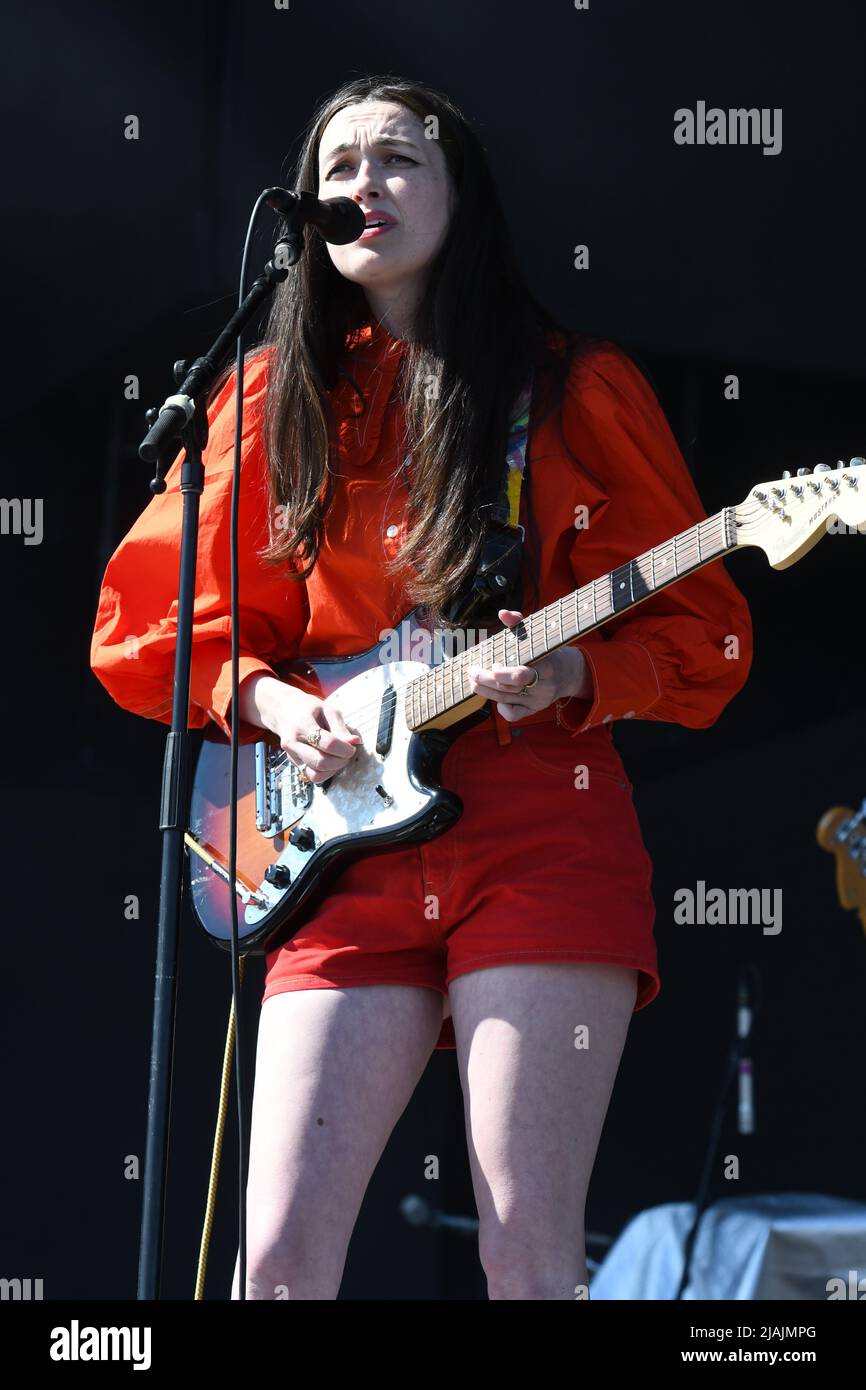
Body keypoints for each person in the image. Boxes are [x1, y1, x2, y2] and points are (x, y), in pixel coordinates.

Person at [90, 74, 753, 1300]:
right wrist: (273, 700)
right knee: (275, 1264)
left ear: (463, 195)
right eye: (338, 168)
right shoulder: (264, 397)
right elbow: (151, 624)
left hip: (538, 833)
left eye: (398, 160)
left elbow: (703, 632)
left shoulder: (570, 388)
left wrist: (572, 666)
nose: (361, 187)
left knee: (525, 1254)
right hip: (339, 846)